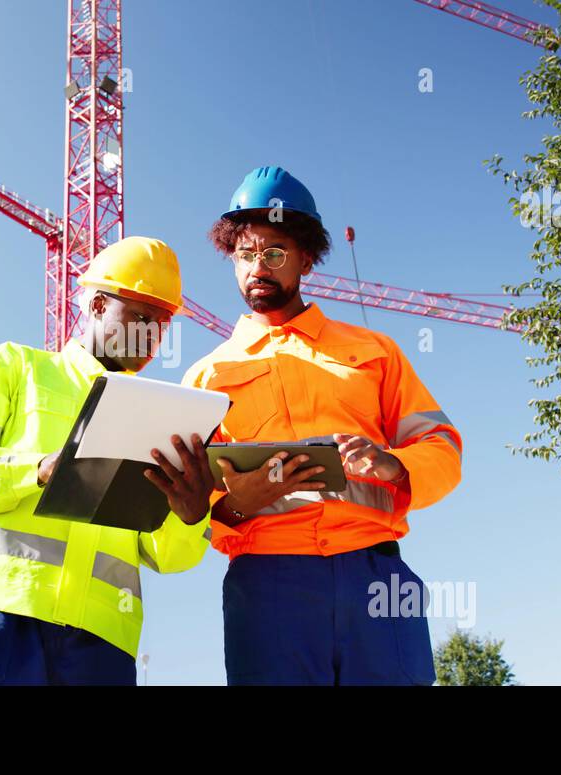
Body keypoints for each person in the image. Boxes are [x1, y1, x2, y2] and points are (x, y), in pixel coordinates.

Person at [182, 166, 463, 685]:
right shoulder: (205, 377)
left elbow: (442, 446)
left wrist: (394, 464)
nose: (257, 267)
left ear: (306, 257)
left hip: (375, 574)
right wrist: (242, 500)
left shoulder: (374, 351)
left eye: (274, 252)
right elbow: (192, 501)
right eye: (245, 255)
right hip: (267, 583)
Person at [0, 236, 216, 685]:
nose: (153, 336)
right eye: (140, 317)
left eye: (163, 324)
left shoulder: (158, 419)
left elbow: (164, 555)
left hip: (103, 641)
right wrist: (35, 470)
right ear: (97, 305)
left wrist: (190, 517)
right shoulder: (18, 368)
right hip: (6, 615)